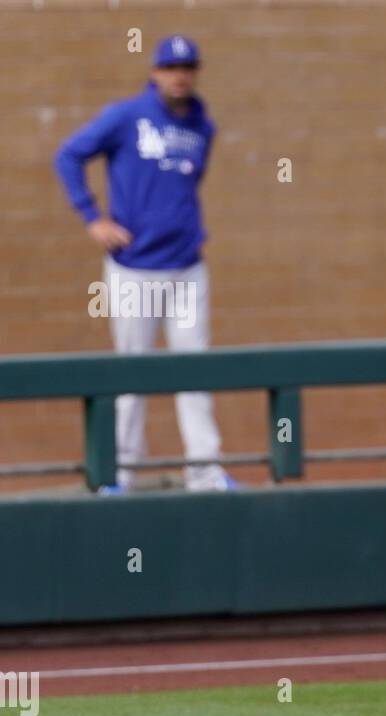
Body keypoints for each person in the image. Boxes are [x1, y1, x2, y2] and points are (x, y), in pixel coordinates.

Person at [55, 35, 234, 492]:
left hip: (187, 267)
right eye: (172, 67)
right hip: (135, 267)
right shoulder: (127, 116)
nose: (181, 75)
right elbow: (69, 154)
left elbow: (188, 186)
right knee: (131, 373)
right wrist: (93, 218)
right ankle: (122, 471)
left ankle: (205, 469)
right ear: (155, 72)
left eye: (189, 66)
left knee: (195, 371)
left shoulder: (201, 125)